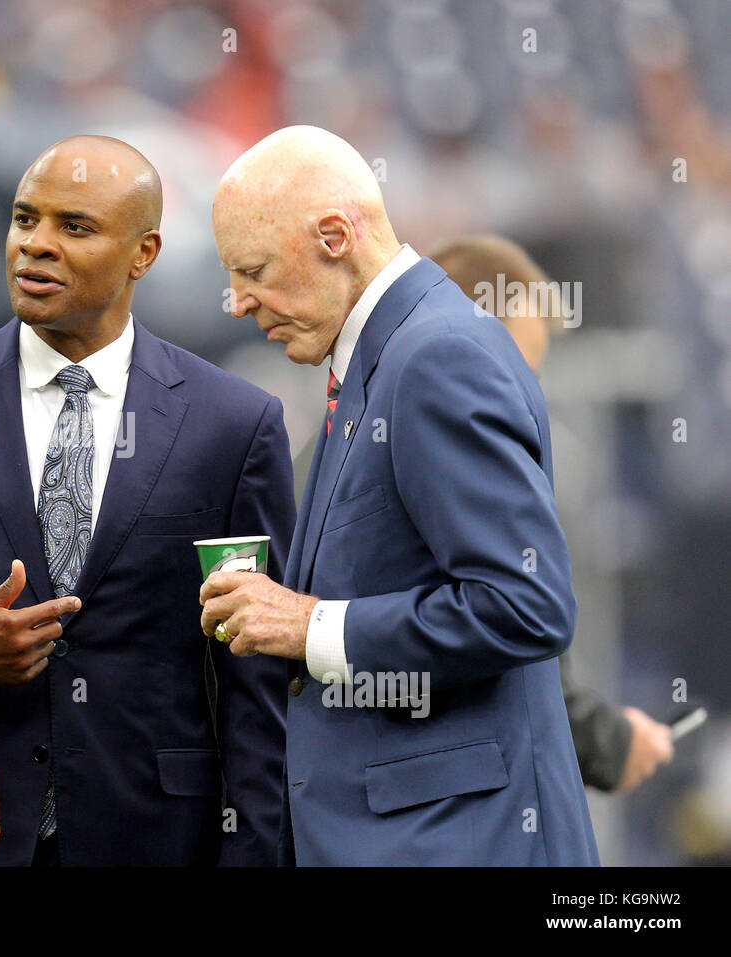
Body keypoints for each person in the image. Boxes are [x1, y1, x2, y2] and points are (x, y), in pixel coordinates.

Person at [0, 135, 294, 867]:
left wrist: (253, 854)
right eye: (25, 220)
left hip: (158, 841)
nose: (36, 245)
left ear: (143, 253)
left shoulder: (233, 425)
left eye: (74, 227)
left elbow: (255, 681)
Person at [205, 125, 598, 865]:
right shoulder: (379, 358)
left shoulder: (435, 356)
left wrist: (310, 626)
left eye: (252, 270)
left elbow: (526, 603)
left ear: (333, 236)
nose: (237, 303)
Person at [430, 233, 675, 794]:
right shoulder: (454, 460)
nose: (524, 397)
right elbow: (498, 641)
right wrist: (609, 740)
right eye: (514, 371)